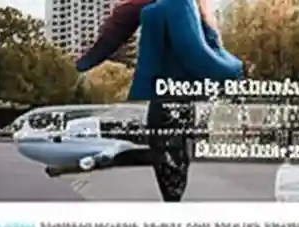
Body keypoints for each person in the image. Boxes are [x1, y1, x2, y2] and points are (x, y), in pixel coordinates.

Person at [76, 0, 244, 201]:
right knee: (172, 176)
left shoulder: (164, 8)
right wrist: (235, 68)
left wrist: (79, 66)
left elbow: (195, 57)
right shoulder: (174, 6)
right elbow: (199, 58)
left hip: (162, 103)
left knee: (170, 175)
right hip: (172, 103)